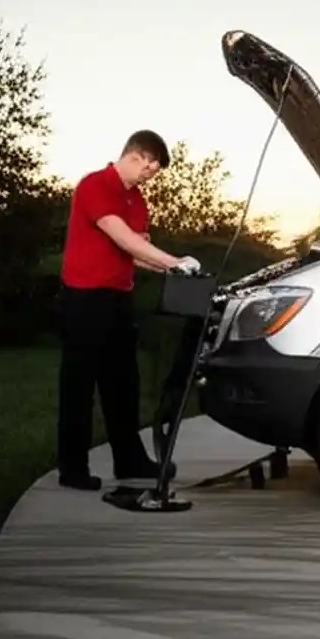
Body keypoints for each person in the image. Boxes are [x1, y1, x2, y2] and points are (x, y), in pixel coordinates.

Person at [55, 129, 200, 490]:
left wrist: (180, 268)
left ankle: (129, 461)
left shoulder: (137, 201)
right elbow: (120, 236)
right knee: (79, 386)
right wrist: (173, 262)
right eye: (151, 165)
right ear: (137, 155)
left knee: (123, 384)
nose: (152, 173)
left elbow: (136, 252)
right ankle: (72, 470)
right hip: (83, 299)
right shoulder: (95, 185)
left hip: (118, 300)